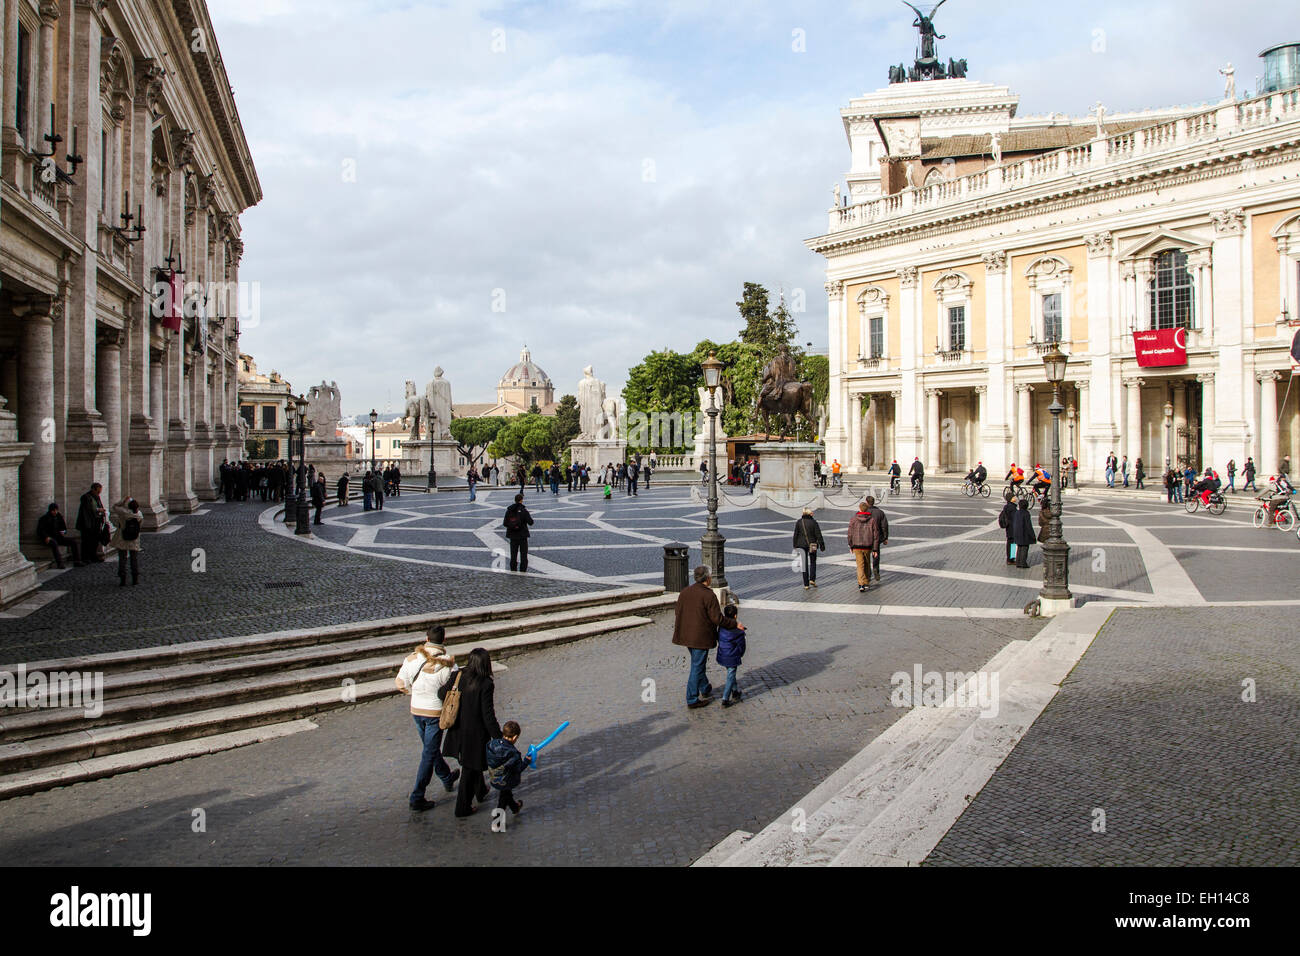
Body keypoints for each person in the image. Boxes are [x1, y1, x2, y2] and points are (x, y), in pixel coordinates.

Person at [395, 628, 460, 811]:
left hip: (416, 710)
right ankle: (417, 797)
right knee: (429, 753)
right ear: (443, 640)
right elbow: (453, 691)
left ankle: (446, 777)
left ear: (426, 639)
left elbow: (400, 684)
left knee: (429, 750)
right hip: (435, 713)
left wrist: (413, 692)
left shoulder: (411, 659)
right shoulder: (449, 664)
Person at [440, 647, 502, 818]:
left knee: (473, 764)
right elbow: (488, 715)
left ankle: (480, 790)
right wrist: (499, 738)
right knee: (470, 768)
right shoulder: (486, 684)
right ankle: (462, 807)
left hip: (457, 729)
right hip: (475, 734)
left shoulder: (458, 675)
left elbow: (441, 693)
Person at [671, 565, 723, 709]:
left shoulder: (685, 592)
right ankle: (692, 698)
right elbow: (717, 618)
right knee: (697, 666)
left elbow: (678, 612)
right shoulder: (709, 595)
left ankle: (705, 687)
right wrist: (733, 624)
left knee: (697, 663)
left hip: (686, 635)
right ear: (708, 578)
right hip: (701, 637)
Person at [486, 720, 532, 815]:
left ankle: (515, 808)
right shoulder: (513, 753)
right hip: (506, 780)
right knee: (503, 799)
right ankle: (497, 823)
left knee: (507, 794)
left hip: (494, 777)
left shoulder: (492, 744)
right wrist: (526, 761)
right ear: (515, 737)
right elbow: (518, 769)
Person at [847, 499, 882, 593]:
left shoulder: (853, 519)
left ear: (859, 508)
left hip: (857, 545)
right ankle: (866, 582)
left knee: (860, 565)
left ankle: (861, 583)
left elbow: (850, 533)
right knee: (867, 563)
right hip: (867, 545)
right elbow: (876, 535)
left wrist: (850, 545)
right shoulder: (872, 520)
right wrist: (875, 549)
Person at [716, 605, 747, 708]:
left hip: (722, 654)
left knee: (730, 672)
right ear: (735, 616)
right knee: (730, 674)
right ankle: (725, 698)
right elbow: (742, 646)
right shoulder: (738, 632)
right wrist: (742, 631)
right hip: (732, 656)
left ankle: (735, 691)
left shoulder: (721, 627)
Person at [110, 497, 143, 585]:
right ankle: (135, 578)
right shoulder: (139, 514)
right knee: (134, 559)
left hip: (123, 538)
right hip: (134, 539)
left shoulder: (124, 513)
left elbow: (114, 506)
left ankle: (122, 578)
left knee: (122, 559)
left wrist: (123, 501)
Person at [36, 503, 80, 569]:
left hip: (58, 537)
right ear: (50, 511)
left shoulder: (59, 517)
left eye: (56, 510)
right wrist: (46, 537)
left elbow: (64, 528)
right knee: (54, 544)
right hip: (49, 538)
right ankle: (59, 563)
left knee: (73, 542)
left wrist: (63, 532)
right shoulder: (44, 518)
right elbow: (40, 530)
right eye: (53, 510)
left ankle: (77, 561)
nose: (55, 512)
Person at [792, 507, 825, 589]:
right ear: (809, 514)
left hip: (801, 545)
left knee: (804, 564)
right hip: (812, 544)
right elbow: (818, 535)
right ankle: (812, 579)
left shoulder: (799, 522)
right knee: (813, 562)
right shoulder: (814, 522)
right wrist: (822, 545)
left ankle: (806, 584)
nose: (813, 514)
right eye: (812, 513)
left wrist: (795, 545)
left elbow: (795, 534)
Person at [76, 483, 107, 562]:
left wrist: (102, 512)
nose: (98, 493)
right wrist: (98, 510)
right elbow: (88, 509)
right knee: (86, 541)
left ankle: (93, 556)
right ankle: (85, 558)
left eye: (100, 492)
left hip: (96, 522)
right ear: (93, 489)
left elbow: (99, 506)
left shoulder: (97, 497)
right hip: (87, 523)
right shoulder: (85, 497)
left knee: (95, 540)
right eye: (98, 491)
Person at [503, 492, 533, 572]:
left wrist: (513, 526)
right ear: (521, 500)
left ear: (515, 500)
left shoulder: (509, 510)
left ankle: (513, 569)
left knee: (513, 554)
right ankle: (523, 569)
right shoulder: (523, 510)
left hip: (512, 535)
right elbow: (531, 522)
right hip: (522, 535)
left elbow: (505, 523)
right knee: (523, 554)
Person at [865, 495, 889, 584]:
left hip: (866, 537)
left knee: (866, 555)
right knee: (876, 554)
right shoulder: (880, 512)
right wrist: (885, 537)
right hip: (877, 537)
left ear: (867, 502)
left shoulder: (864, 512)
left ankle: (868, 573)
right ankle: (876, 569)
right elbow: (884, 526)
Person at [1011, 497, 1035, 568]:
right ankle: (1023, 563)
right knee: (1024, 548)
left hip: (1017, 533)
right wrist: (1032, 535)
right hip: (1024, 534)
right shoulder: (1026, 513)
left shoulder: (1017, 512)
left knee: (1019, 548)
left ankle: (1018, 562)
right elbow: (1028, 525)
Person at [998, 491, 1018, 565]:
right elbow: (1014, 518)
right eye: (1013, 497)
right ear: (1011, 499)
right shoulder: (1012, 507)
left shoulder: (1007, 506)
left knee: (1010, 543)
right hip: (1012, 528)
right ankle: (1010, 559)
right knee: (1012, 544)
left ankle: (1010, 558)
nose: (1015, 498)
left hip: (1009, 528)